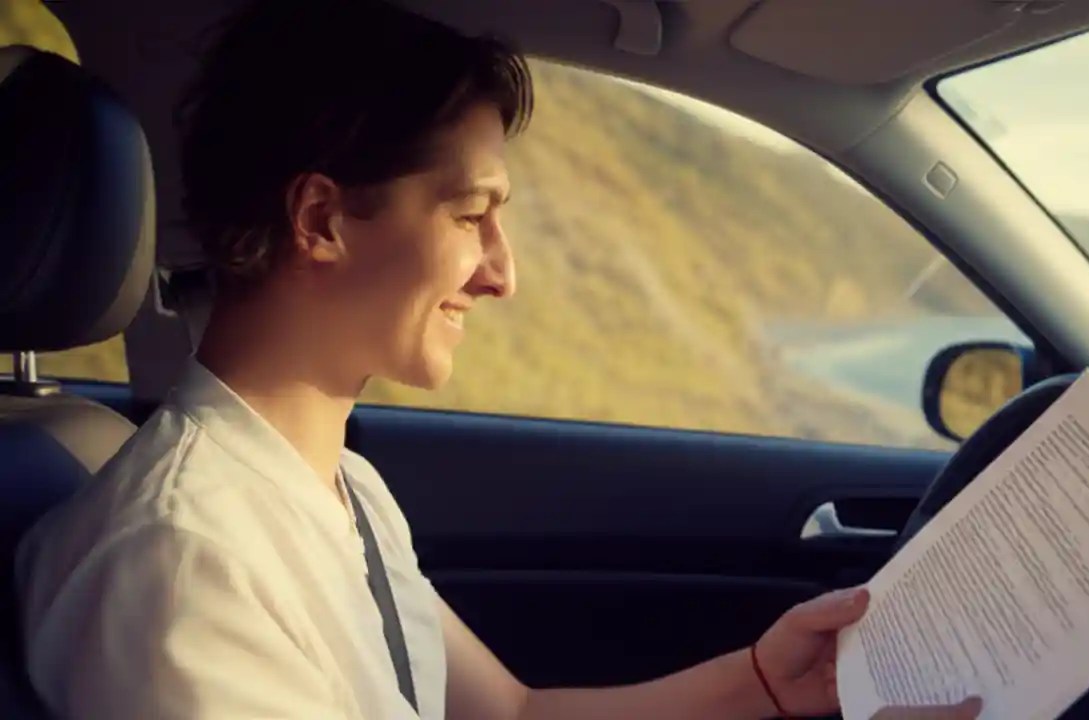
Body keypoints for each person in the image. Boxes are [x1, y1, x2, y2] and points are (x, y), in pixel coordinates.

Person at [15, 1, 983, 718]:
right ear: (320, 221)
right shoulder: (182, 563)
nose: (501, 274)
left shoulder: (332, 484)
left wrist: (766, 682)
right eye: (471, 215)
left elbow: (512, 714)